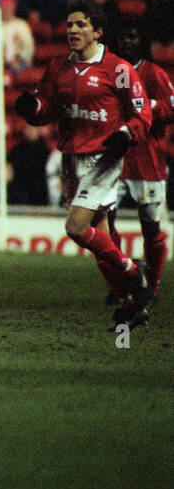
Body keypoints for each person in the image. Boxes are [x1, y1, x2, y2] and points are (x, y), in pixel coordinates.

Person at [14, 2, 156, 330]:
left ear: (98, 31)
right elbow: (47, 108)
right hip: (72, 159)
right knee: (99, 237)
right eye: (69, 25)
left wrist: (125, 134)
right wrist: (31, 108)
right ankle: (130, 304)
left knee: (76, 228)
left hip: (104, 157)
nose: (73, 31)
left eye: (81, 25)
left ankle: (135, 272)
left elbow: (141, 113)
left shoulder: (118, 69)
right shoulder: (58, 67)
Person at [106, 24, 173, 299]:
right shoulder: (109, 71)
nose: (126, 42)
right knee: (104, 221)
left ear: (141, 41)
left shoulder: (153, 73)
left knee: (150, 226)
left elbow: (172, 108)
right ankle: (124, 279)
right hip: (113, 161)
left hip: (147, 160)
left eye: (132, 37)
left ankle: (153, 285)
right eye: (122, 36)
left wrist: (150, 107)